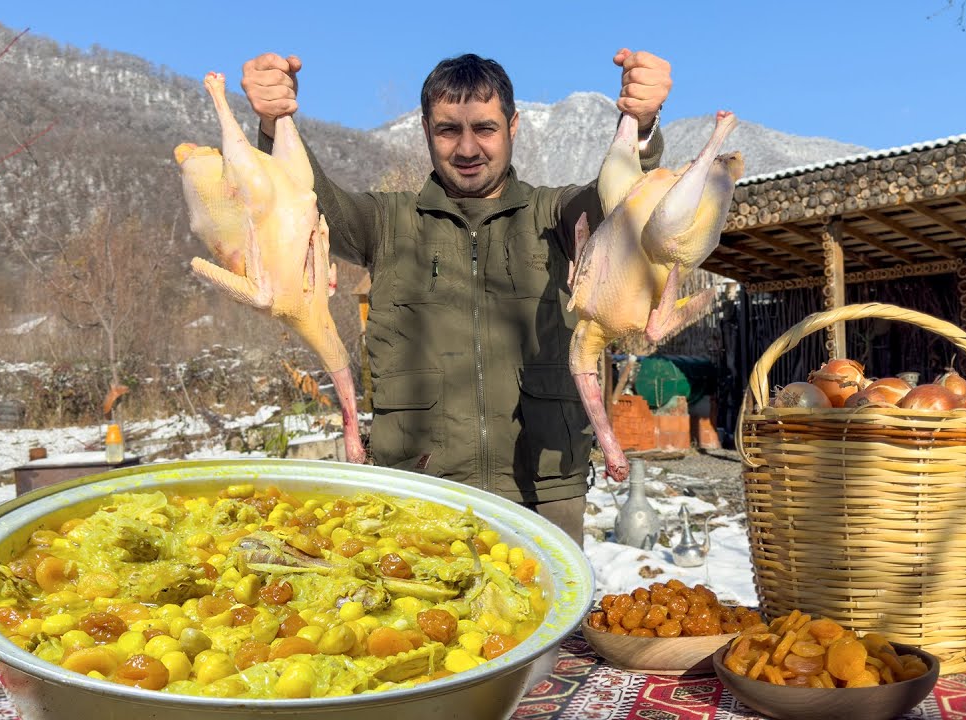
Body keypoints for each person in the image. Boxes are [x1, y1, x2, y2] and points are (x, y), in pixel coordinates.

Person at [241, 49, 672, 544]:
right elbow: (306, 202)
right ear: (426, 131)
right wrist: (276, 127)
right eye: (448, 130)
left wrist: (639, 128)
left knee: (553, 623)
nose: (467, 148)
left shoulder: (554, 216)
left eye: (485, 128)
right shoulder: (386, 223)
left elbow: (617, 202)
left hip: (543, 493)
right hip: (417, 493)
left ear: (513, 127)